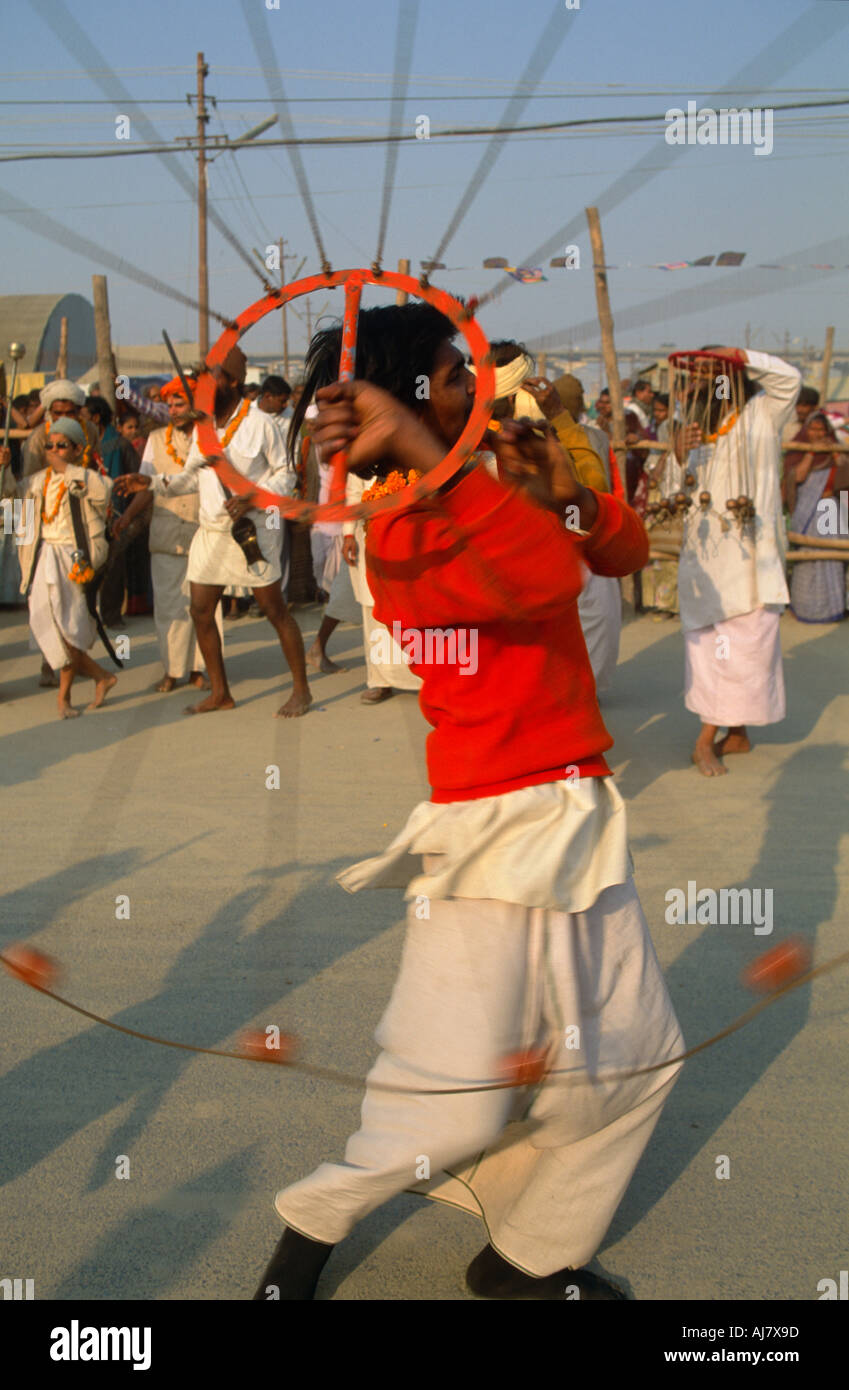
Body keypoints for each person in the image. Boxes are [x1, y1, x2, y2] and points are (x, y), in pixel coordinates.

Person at [254, 303, 683, 1302]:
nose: (474, 389)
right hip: (493, 823)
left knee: (635, 1059)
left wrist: (565, 496)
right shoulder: (397, 526)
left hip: (575, 805)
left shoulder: (479, 485)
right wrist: (451, 469)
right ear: (400, 407)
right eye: (450, 378)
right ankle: (305, 1234)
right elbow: (535, 583)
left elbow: (612, 560)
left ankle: (523, 1261)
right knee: (451, 1106)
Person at [116, 346, 311, 717]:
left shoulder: (260, 424)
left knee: (274, 610)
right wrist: (151, 482)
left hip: (252, 530)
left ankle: (302, 690)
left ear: (234, 382)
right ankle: (221, 692)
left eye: (214, 377)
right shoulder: (203, 426)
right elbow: (187, 479)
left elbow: (287, 475)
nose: (206, 383)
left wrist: (253, 497)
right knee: (201, 610)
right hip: (210, 532)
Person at [672, 348, 801, 776]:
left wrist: (739, 355)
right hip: (708, 560)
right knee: (711, 647)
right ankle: (723, 734)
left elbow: (789, 379)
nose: (708, 384)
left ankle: (718, 735)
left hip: (751, 563)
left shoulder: (764, 413)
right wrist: (677, 451)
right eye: (703, 378)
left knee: (746, 648)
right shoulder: (697, 431)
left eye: (717, 375)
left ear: (735, 377)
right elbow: (679, 487)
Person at [115, 375, 217, 690]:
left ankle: (201, 669)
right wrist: (128, 516)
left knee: (203, 605)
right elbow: (145, 486)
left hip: (205, 531)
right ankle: (173, 670)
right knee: (170, 605)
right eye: (169, 403)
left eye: (180, 403)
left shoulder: (210, 438)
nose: (172, 409)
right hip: (166, 533)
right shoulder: (156, 439)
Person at [18, 418, 117, 718]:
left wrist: (67, 470)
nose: (54, 450)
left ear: (76, 450)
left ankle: (65, 698)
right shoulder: (39, 480)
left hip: (75, 559)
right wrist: (2, 470)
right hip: (45, 556)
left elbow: (105, 493)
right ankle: (102, 676)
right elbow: (12, 502)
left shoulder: (85, 477)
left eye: (62, 445)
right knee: (43, 623)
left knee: (69, 630)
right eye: (50, 445)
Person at [784, 412, 849, 624]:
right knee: (809, 555)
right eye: (813, 429)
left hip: (830, 508)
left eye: (821, 430)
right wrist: (812, 452)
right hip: (808, 509)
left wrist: (835, 453)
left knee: (831, 557)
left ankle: (831, 608)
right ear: (806, 430)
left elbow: (845, 474)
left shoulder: (836, 447)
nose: (817, 433)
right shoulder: (798, 448)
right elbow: (798, 476)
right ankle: (806, 608)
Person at [22, 379, 99, 480]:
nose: (64, 418)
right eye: (58, 413)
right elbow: (29, 479)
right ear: (50, 412)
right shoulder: (38, 436)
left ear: (79, 410)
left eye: (69, 413)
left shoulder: (90, 430)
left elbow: (96, 466)